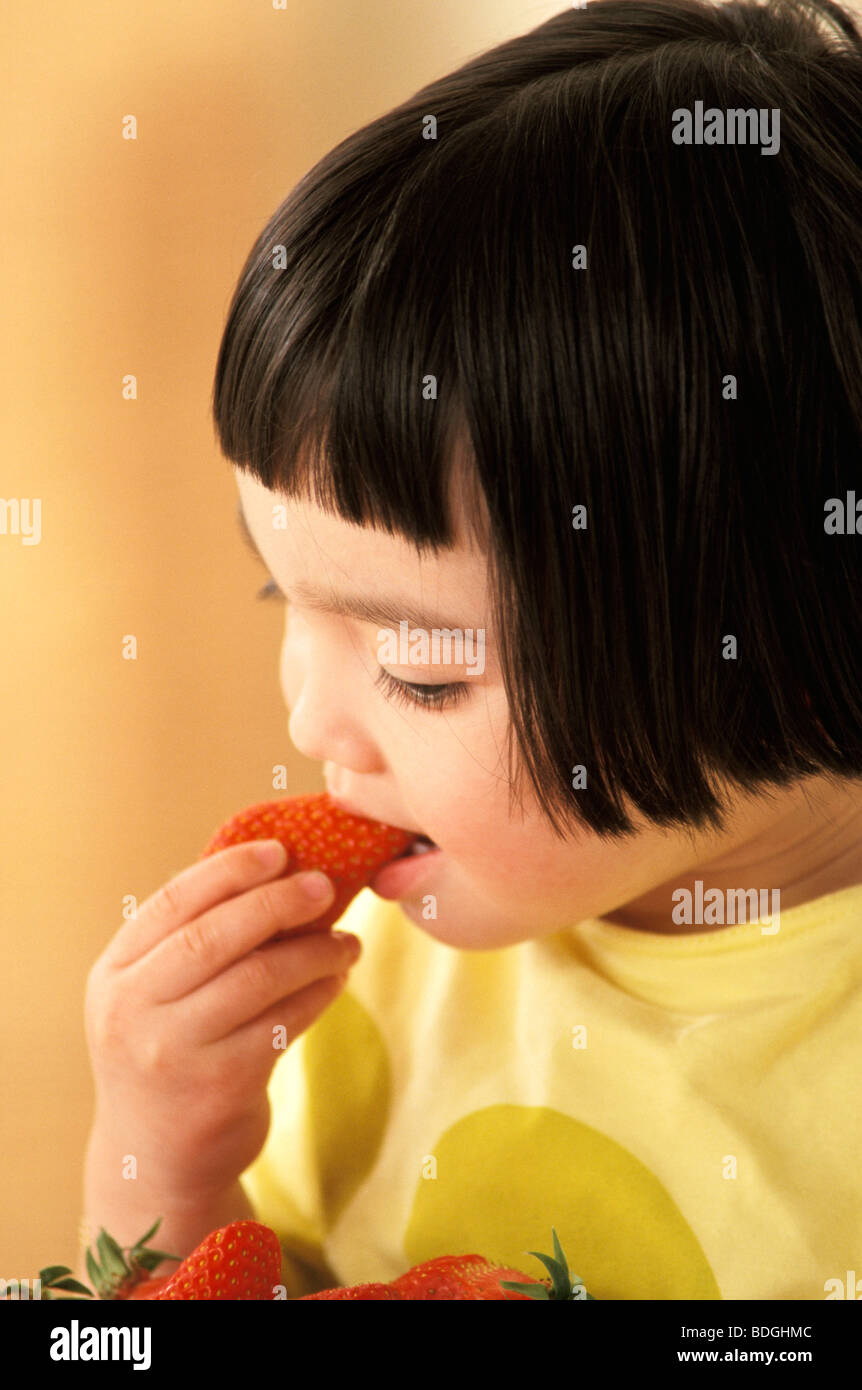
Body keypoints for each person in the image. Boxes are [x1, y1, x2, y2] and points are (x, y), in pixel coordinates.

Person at [82, 0, 862, 1299]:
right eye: (282, 600)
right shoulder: (357, 982)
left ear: (767, 633)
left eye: (424, 667)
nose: (314, 722)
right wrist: (165, 1163)